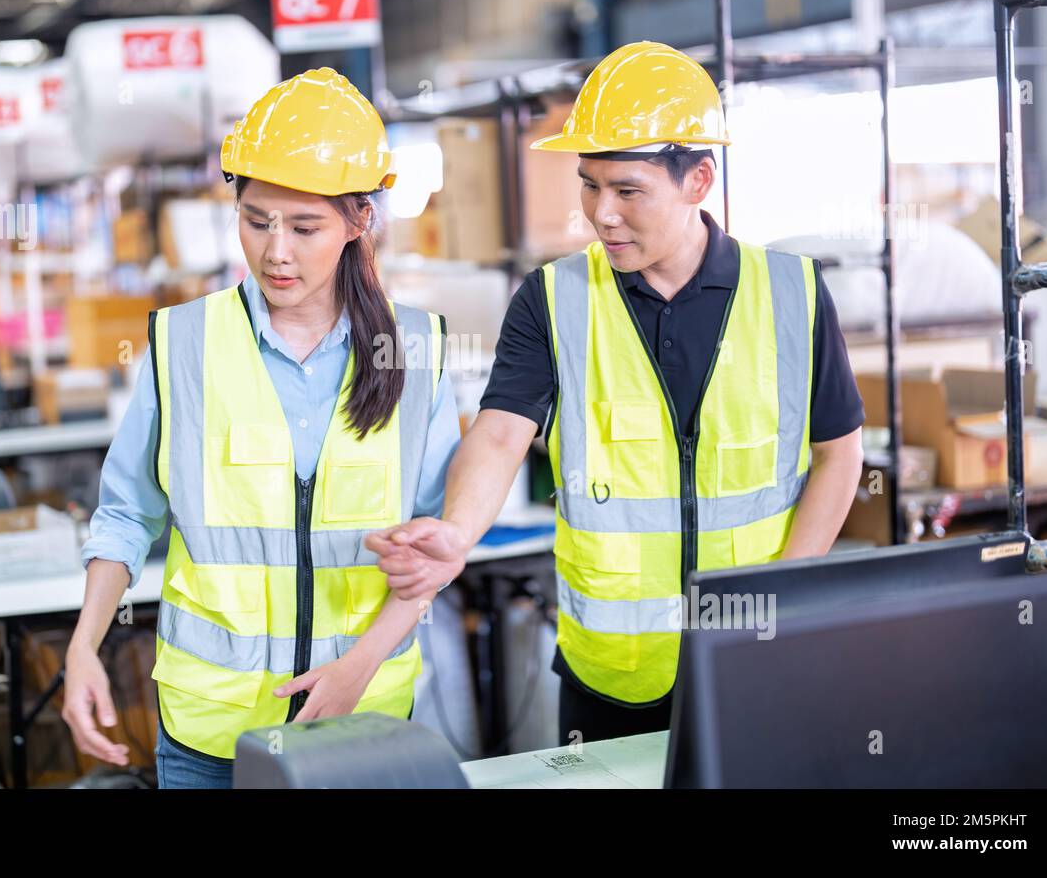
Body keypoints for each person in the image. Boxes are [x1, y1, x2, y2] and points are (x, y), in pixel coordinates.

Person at [366, 41, 864, 746]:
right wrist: (457, 532)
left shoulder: (792, 292)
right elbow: (503, 431)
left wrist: (781, 594)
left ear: (698, 179)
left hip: (755, 659)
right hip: (611, 678)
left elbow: (840, 456)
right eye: (589, 185)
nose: (601, 215)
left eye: (628, 190)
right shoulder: (552, 297)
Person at [64, 67, 460, 788]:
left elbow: (434, 546)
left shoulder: (417, 351)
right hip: (211, 736)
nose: (276, 250)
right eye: (256, 220)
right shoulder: (182, 343)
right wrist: (83, 646)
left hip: (361, 723)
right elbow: (125, 514)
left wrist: (357, 668)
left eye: (305, 226)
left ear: (359, 219)